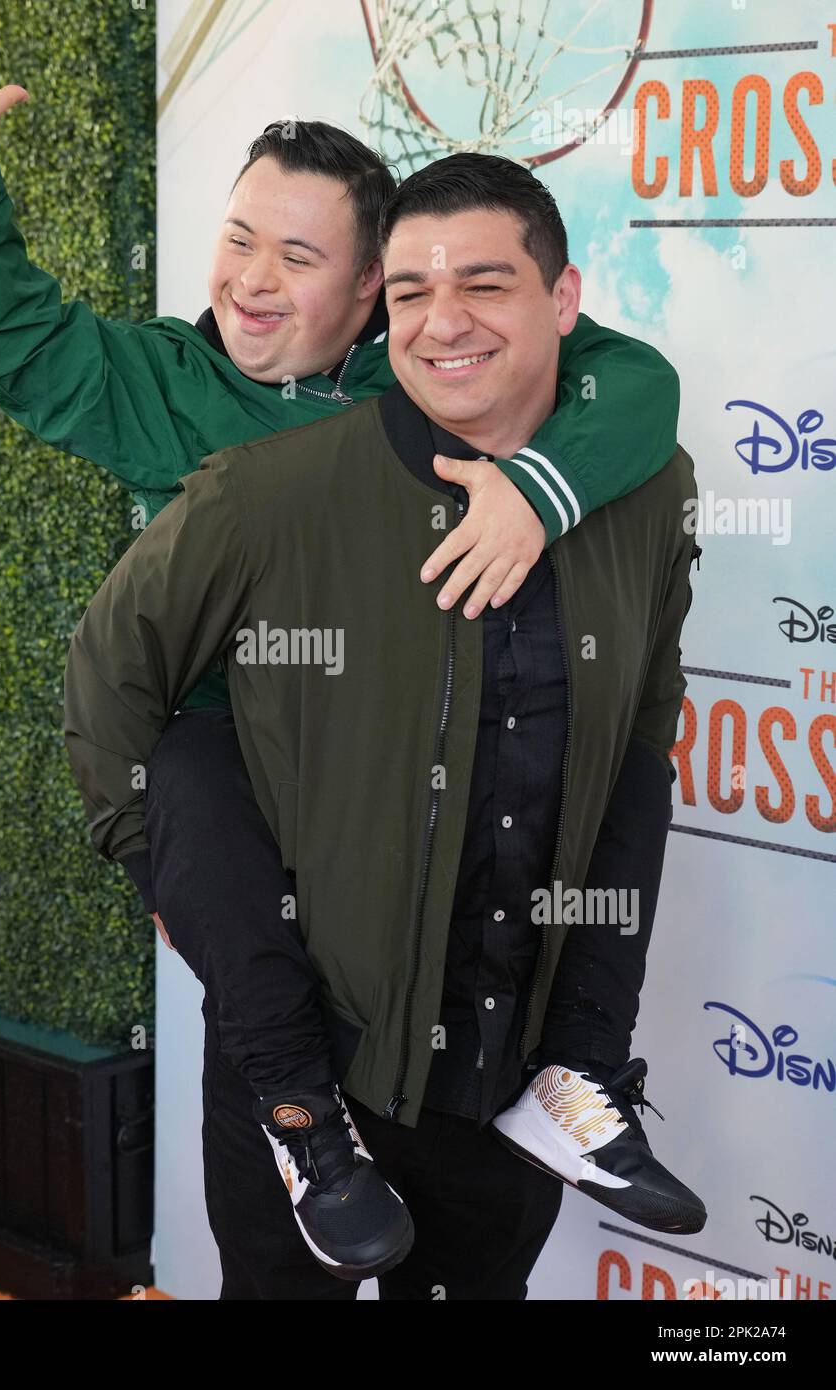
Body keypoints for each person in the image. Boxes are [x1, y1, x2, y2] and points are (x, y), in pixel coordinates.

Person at [0, 44, 692, 1287]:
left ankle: (569, 1071)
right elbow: (23, 346)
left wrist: (535, 490)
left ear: (369, 291)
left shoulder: (426, 385)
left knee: (620, 766)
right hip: (222, 770)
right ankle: (305, 1122)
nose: (248, 283)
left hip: (402, 833)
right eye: (237, 238)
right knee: (193, 769)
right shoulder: (176, 389)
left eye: (295, 259)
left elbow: (633, 377)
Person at [62, 151, 707, 1299]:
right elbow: (113, 678)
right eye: (409, 290)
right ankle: (304, 1120)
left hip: (504, 1070)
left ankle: (581, 1077)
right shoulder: (270, 487)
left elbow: (638, 735)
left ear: (563, 302)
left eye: (485, 284)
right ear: (377, 308)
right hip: (311, 1043)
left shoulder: (647, 487)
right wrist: (158, 860)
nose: (441, 321)